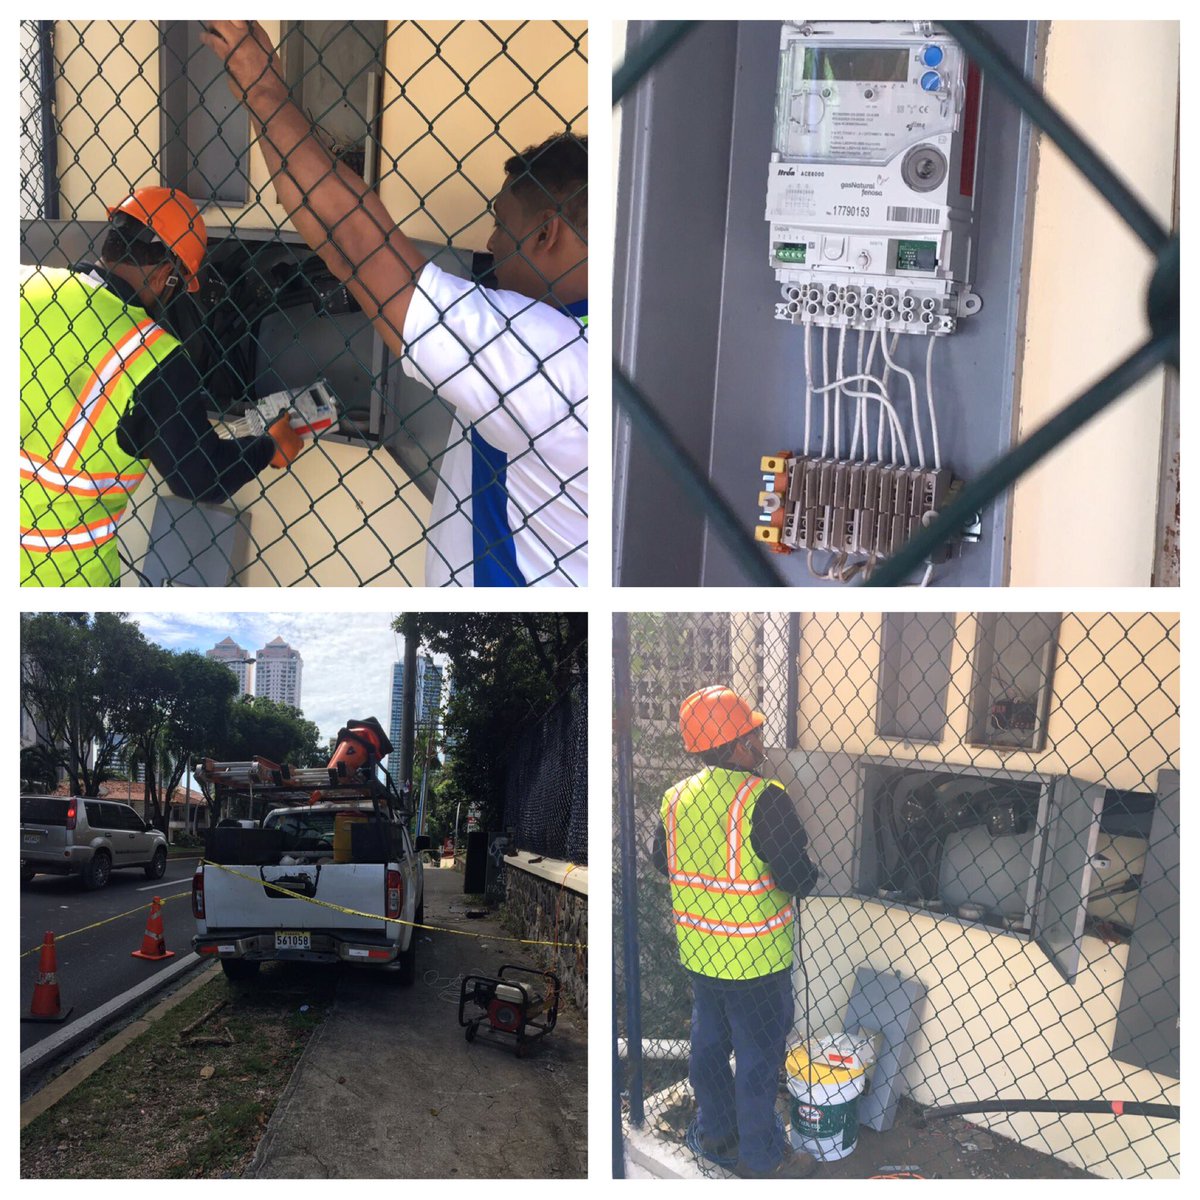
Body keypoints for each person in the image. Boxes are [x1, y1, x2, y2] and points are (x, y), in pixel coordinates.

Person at [201, 21, 587, 587]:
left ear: (546, 234)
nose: (490, 245)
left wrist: (260, 83)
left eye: (502, 226)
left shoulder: (554, 358)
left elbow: (353, 239)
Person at [20, 187, 303, 586]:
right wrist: (270, 446)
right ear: (163, 274)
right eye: (178, 283)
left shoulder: (25, 283)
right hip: (62, 576)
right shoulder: (152, 354)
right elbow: (198, 477)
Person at [653, 686, 820, 1179]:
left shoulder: (676, 798)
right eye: (754, 734)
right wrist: (806, 874)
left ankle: (718, 1132)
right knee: (757, 1063)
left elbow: (661, 861)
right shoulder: (765, 799)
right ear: (738, 744)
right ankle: (762, 1160)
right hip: (758, 964)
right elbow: (796, 876)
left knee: (707, 1051)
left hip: (703, 959)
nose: (760, 742)